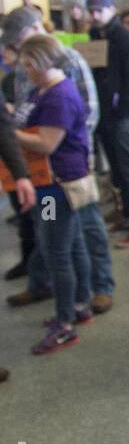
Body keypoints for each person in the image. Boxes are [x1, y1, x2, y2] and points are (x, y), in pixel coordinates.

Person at [3, 6, 111, 314]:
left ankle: (93, 293)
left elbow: (85, 115)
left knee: (79, 233)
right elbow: (28, 111)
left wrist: (65, 144)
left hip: (67, 175)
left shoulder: (66, 71)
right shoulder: (35, 76)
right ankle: (54, 289)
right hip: (44, 176)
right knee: (53, 235)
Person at [86, 0, 129, 246]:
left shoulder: (126, 39)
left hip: (125, 115)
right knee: (118, 169)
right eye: (91, 10)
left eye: (99, 10)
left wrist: (124, 109)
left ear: (111, 9)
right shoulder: (95, 37)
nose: (94, 15)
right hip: (104, 114)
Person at [0, 102, 37, 381]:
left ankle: (40, 277)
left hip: (51, 189)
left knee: (46, 230)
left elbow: (4, 128)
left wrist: (21, 174)